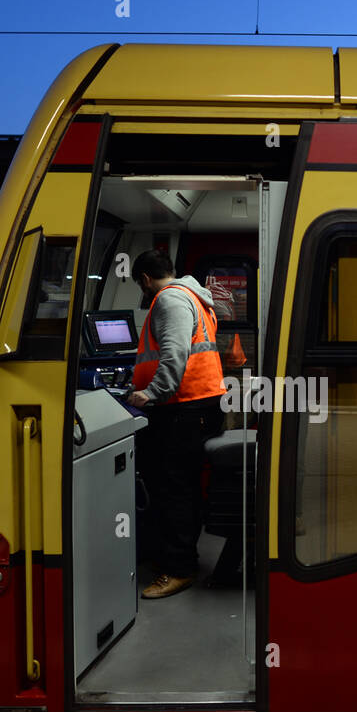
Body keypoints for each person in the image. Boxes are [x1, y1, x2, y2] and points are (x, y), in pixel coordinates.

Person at [126, 250, 225, 599]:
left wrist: (151, 393)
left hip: (181, 408)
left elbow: (175, 352)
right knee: (182, 487)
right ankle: (177, 558)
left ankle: (179, 569)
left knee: (173, 490)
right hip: (196, 406)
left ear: (144, 280)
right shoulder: (195, 297)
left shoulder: (169, 300)